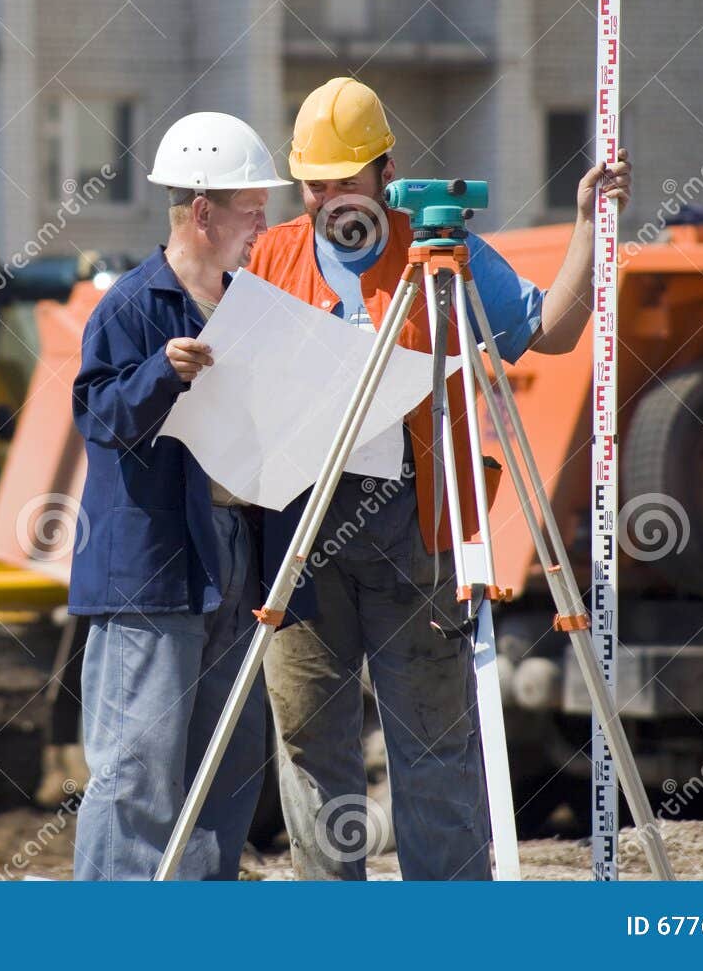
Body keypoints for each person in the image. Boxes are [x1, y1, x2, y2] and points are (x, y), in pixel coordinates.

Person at [246, 76, 631, 880]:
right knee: (311, 739)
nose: (327, 199)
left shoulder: (438, 247)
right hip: (302, 530)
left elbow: (549, 331)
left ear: (387, 171)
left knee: (433, 740)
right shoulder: (274, 255)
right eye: (313, 184)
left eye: (345, 181)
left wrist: (590, 230)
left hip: (416, 524)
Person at [69, 111, 291, 880]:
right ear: (203, 212)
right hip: (156, 568)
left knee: (224, 767)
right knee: (138, 769)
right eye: (252, 208)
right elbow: (98, 416)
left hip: (235, 556)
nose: (265, 221)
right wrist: (162, 370)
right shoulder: (131, 307)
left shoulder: (251, 306)